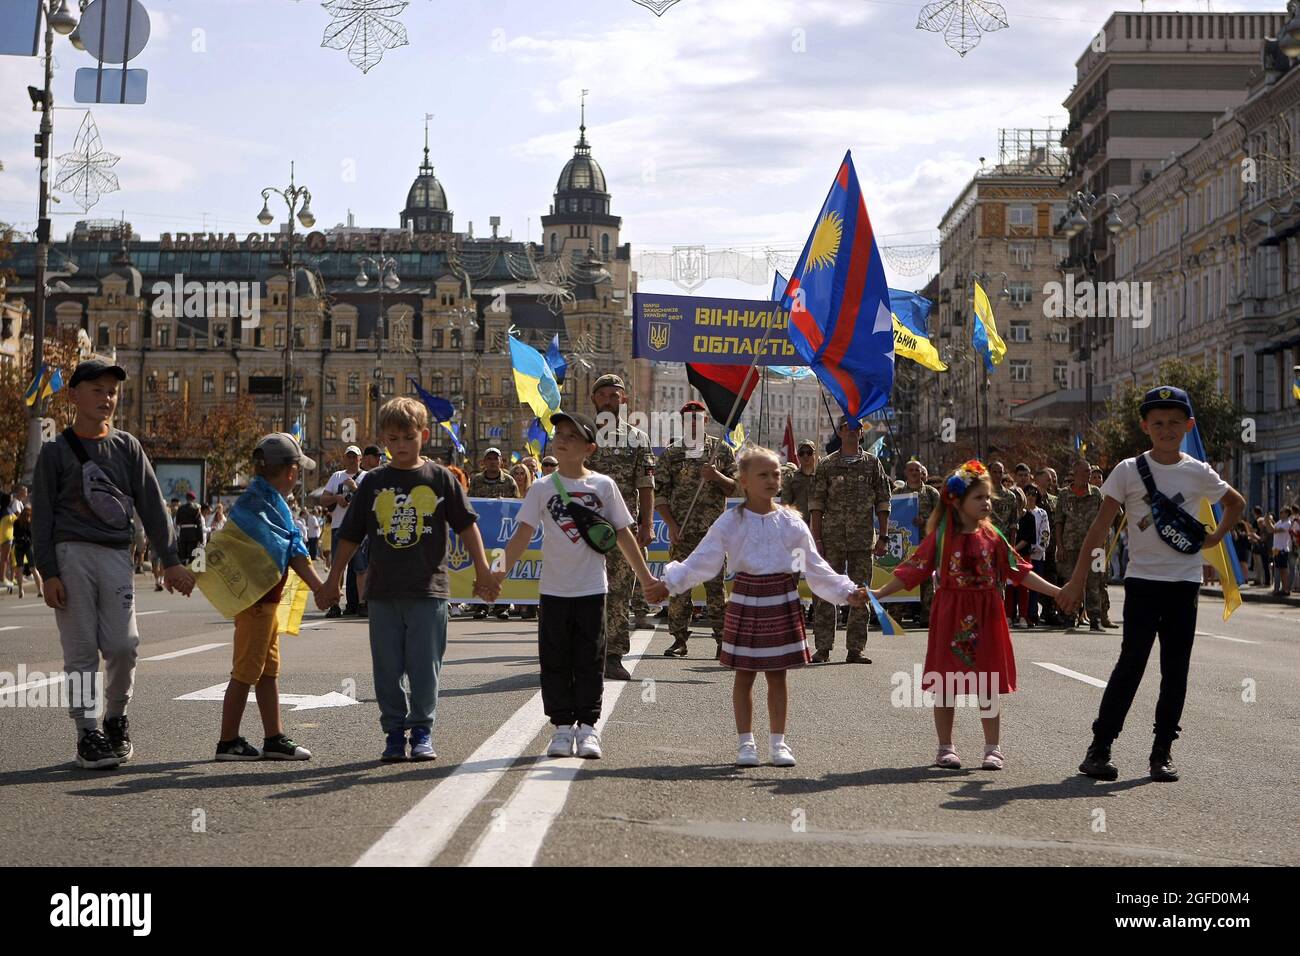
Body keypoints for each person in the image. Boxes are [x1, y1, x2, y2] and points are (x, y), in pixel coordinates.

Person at [1062, 386, 1244, 783]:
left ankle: (1162, 753)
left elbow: (1236, 503)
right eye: (1158, 423)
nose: (1166, 429)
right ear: (1145, 426)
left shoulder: (1198, 471)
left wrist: (1215, 538)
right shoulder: (1127, 470)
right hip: (1142, 584)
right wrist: (1077, 580)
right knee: (1131, 665)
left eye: (1174, 423)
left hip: (1183, 585)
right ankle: (1100, 749)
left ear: (1188, 426)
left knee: (1175, 671)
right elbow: (1099, 528)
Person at [32, 359, 196, 770]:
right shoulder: (55, 452)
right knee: (82, 649)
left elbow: (153, 508)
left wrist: (171, 561)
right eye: (97, 390)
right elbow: (43, 518)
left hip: (116, 556)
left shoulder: (127, 446)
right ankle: (88, 732)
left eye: (112, 391)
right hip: (71, 555)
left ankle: (116, 718)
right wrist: (48, 571)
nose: (107, 398)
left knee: (124, 646)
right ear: (74, 396)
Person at [663, 446, 868, 767]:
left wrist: (847, 591)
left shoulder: (792, 522)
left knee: (777, 676)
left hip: (781, 599)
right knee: (743, 675)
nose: (772, 480)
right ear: (743, 480)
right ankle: (746, 743)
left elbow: (815, 566)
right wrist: (670, 581)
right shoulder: (729, 521)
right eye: (763, 474)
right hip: (746, 598)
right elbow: (704, 560)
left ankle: (778, 743)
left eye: (776, 474)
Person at [320, 399, 493, 761]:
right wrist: (333, 579)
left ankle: (423, 730)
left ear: (424, 436)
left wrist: (483, 570)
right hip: (382, 593)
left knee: (424, 667)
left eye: (409, 437)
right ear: (384, 439)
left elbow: (467, 525)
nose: (401, 444)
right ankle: (395, 733)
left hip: (429, 592)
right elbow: (351, 534)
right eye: (393, 437)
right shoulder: (373, 483)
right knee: (386, 669)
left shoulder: (440, 477)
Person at [492, 411, 662, 760]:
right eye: (559, 433)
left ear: (589, 447)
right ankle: (561, 727)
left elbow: (622, 534)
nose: (562, 438)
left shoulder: (603, 486)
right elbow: (521, 535)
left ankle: (587, 727)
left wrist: (646, 578)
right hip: (553, 590)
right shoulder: (541, 487)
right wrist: (496, 574)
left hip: (591, 589)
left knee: (589, 659)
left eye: (572, 434)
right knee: (554, 660)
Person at [871, 460, 1062, 771]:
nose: (986, 502)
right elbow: (914, 569)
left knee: (988, 683)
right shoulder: (942, 536)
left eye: (988, 497)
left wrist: (1057, 592)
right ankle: (945, 747)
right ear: (956, 501)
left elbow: (1020, 572)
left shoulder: (994, 537)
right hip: (951, 614)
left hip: (987, 615)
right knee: (946, 683)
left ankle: (992, 748)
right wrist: (879, 594)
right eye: (979, 497)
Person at [215, 434, 326, 761]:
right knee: (246, 672)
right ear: (291, 472)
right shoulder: (269, 504)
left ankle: (273, 736)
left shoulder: (255, 499)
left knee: (266, 671)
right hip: (257, 603)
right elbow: (293, 550)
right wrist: (320, 588)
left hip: (261, 601)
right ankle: (228, 740)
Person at [587, 373, 657, 679]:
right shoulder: (582, 435)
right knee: (585, 592)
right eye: (604, 395)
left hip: (622, 529)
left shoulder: (637, 439)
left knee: (619, 593)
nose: (609, 401)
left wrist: (647, 524)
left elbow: (646, 485)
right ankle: (586, 654)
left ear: (624, 401)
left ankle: (613, 655)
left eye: (615, 396)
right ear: (594, 399)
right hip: (584, 528)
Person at [656, 401, 737, 659]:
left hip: (714, 534)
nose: (693, 422)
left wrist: (716, 477)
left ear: (705, 421)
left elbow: (734, 487)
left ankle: (722, 641)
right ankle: (679, 639)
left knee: (715, 589)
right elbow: (660, 495)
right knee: (679, 586)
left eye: (697, 418)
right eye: (688, 418)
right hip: (682, 532)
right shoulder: (671, 453)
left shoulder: (721, 451)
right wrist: (671, 525)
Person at [808, 415, 891, 664]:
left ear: (862, 433)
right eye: (848, 427)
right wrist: (817, 539)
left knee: (861, 592)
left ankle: (855, 648)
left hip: (862, 540)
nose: (853, 431)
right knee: (826, 592)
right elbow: (816, 505)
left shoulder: (873, 464)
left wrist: (884, 536)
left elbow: (883, 501)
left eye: (858, 427)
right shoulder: (827, 465)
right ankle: (823, 648)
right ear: (840, 432)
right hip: (832, 540)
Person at [1055, 459, 1108, 632]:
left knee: (1095, 581)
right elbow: (1058, 522)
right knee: (1071, 581)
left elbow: (1104, 520)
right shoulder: (1063, 495)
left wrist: (1102, 543)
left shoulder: (1096, 494)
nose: (1089, 474)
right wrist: (1060, 546)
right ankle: (1070, 616)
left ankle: (1095, 618)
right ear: (1075, 472)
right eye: (1085, 471)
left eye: (1089, 472)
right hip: (1071, 546)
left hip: (1094, 547)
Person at [469, 447, 519, 621]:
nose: (492, 461)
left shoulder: (509, 481)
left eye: (495, 458)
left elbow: (515, 506)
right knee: (482, 566)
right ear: (484, 462)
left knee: (500, 567)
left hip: (502, 533)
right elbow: (470, 504)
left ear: (501, 461)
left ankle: (501, 606)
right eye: (488, 458)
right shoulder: (476, 481)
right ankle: (481, 605)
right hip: (482, 532)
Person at [319, 445, 365, 617]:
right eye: (349, 457)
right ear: (344, 459)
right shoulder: (336, 476)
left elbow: (370, 501)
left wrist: (354, 489)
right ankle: (334, 604)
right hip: (340, 526)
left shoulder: (367, 477)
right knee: (337, 569)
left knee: (361, 568)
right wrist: (336, 498)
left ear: (360, 459)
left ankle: (362, 603)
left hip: (360, 528)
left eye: (355, 457)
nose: (352, 460)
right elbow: (323, 499)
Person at [898, 459, 940, 627]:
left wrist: (925, 521)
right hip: (905, 543)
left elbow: (940, 517)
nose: (915, 473)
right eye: (911, 470)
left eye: (917, 470)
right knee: (902, 576)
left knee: (927, 580)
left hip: (925, 543)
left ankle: (927, 615)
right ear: (905, 473)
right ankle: (896, 614)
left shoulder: (931, 493)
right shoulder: (898, 493)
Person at [1008, 485, 1048, 628]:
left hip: (1028, 554)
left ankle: (1027, 616)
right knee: (1010, 587)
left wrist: (1013, 549)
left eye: (1033, 494)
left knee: (1026, 587)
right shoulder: (1009, 515)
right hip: (1009, 555)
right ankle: (1010, 615)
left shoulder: (1036, 514)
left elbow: (1039, 535)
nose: (1031, 496)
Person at [11, 501, 41, 599]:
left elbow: (14, 535)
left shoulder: (16, 522)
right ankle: (40, 590)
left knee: (20, 569)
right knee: (33, 568)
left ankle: (21, 590)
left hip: (19, 546)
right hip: (28, 547)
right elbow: (33, 536)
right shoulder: (31, 522)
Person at [1271, 506, 1293, 596]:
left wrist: (1269, 522)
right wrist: (1268, 521)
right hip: (1276, 549)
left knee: (1284, 570)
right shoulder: (1279, 522)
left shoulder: (1288, 523)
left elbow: (1275, 530)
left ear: (1287, 513)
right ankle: (1282, 589)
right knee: (1279, 570)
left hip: (1283, 549)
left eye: (1282, 512)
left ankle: (1286, 589)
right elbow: (1271, 530)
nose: (1280, 514)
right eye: (1280, 512)